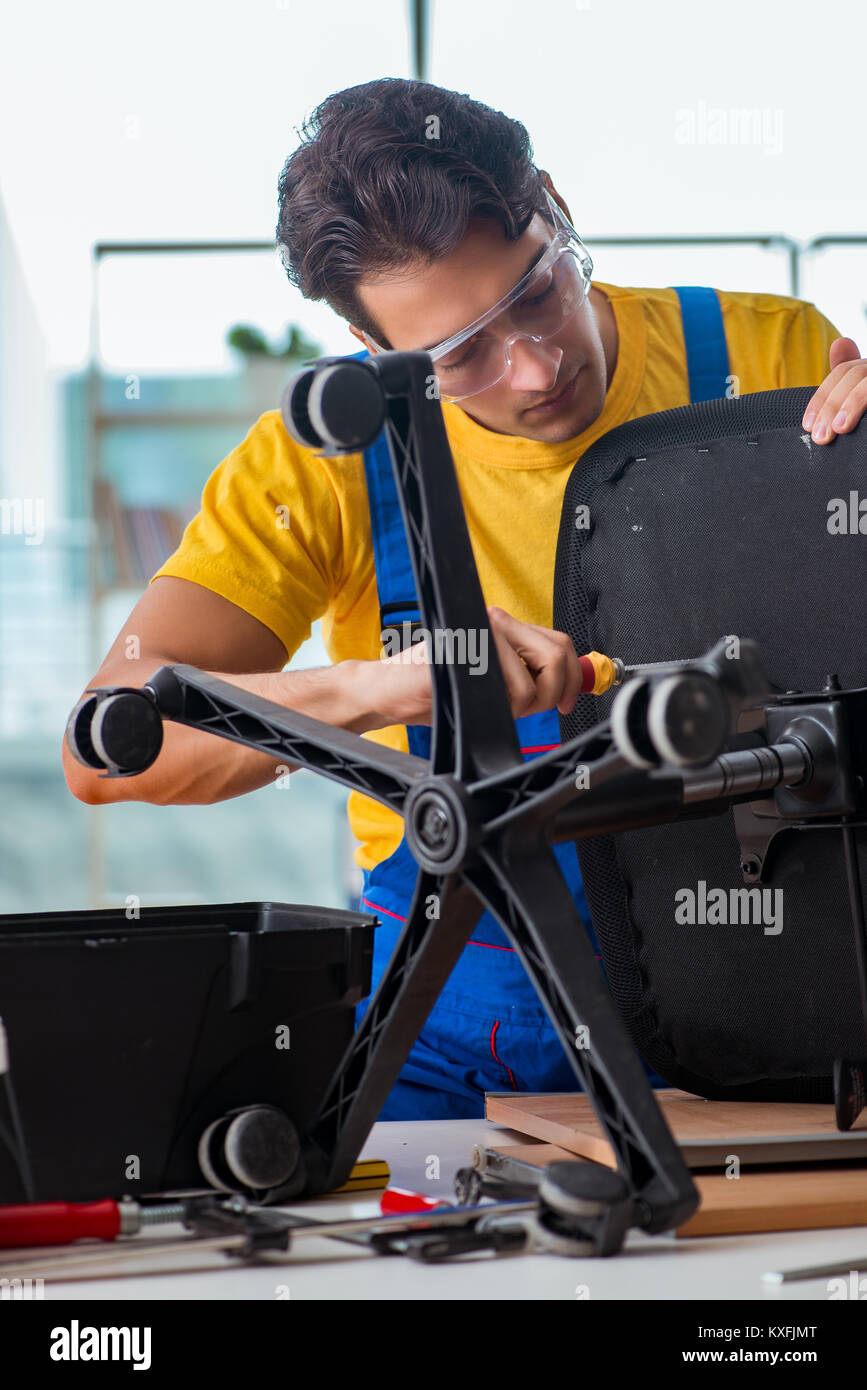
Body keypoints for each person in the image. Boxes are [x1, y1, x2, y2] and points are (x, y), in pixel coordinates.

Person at [63, 77, 867, 1120]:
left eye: (535, 290)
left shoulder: (770, 361)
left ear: (557, 210)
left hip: (745, 1006)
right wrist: (381, 690)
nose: (533, 368)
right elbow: (105, 743)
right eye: (458, 355)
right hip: (437, 1036)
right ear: (373, 357)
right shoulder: (323, 466)